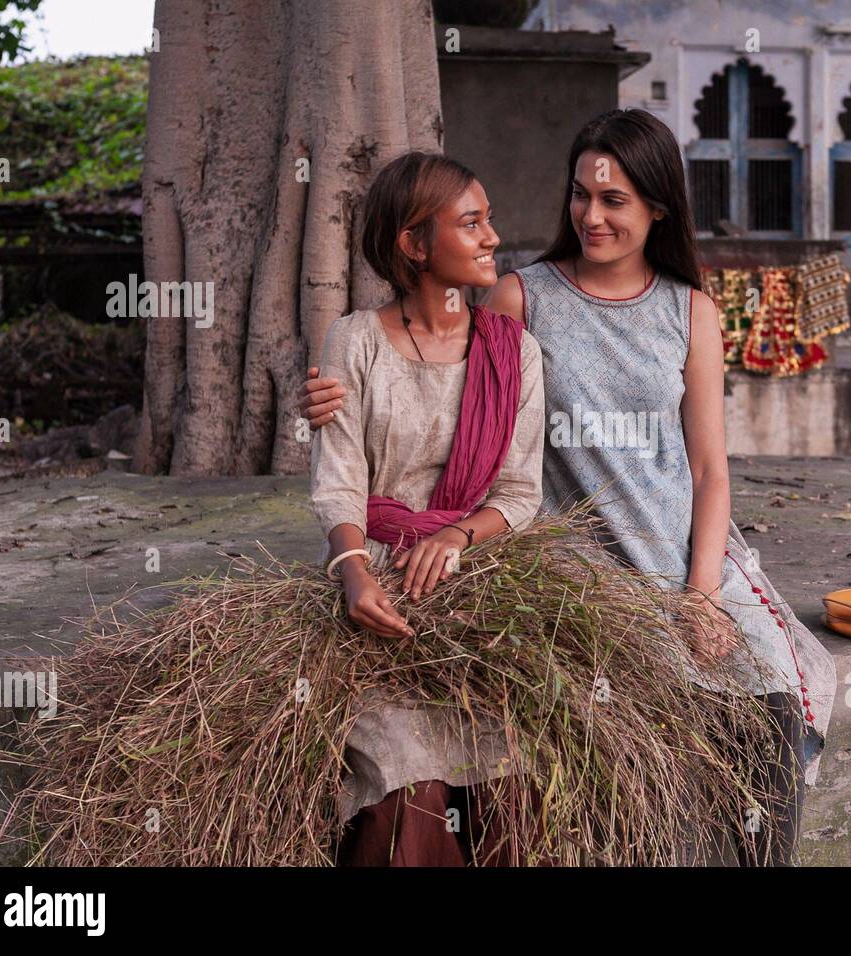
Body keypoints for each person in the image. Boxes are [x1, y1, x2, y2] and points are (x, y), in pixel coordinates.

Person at [304, 111, 837, 866]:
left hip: (685, 555)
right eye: (582, 194)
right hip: (581, 563)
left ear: (658, 206)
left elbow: (711, 470)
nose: (591, 215)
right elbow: (450, 389)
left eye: (615, 200)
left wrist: (703, 591)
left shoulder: (691, 311)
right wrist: (330, 401)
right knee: (655, 723)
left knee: (768, 709)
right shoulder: (523, 301)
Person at [309, 150, 546, 866]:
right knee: (398, 778)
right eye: (470, 223)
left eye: (490, 221)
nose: (491, 238)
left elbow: (519, 493)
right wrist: (356, 579)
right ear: (414, 244)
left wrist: (456, 539)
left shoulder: (515, 352)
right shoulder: (354, 342)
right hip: (377, 578)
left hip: (481, 578)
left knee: (516, 766)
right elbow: (340, 482)